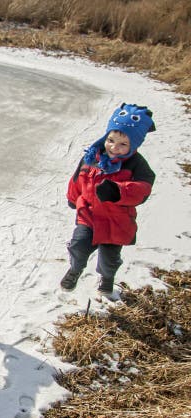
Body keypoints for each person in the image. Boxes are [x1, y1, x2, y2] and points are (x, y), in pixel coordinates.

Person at [60, 103, 156, 297]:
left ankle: (107, 277)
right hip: (88, 214)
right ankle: (75, 269)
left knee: (109, 258)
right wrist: (73, 198)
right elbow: (78, 177)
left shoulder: (137, 165)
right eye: (111, 140)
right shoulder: (92, 156)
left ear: (134, 145)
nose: (114, 148)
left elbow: (143, 189)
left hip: (117, 221)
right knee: (79, 244)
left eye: (123, 144)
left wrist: (118, 191)